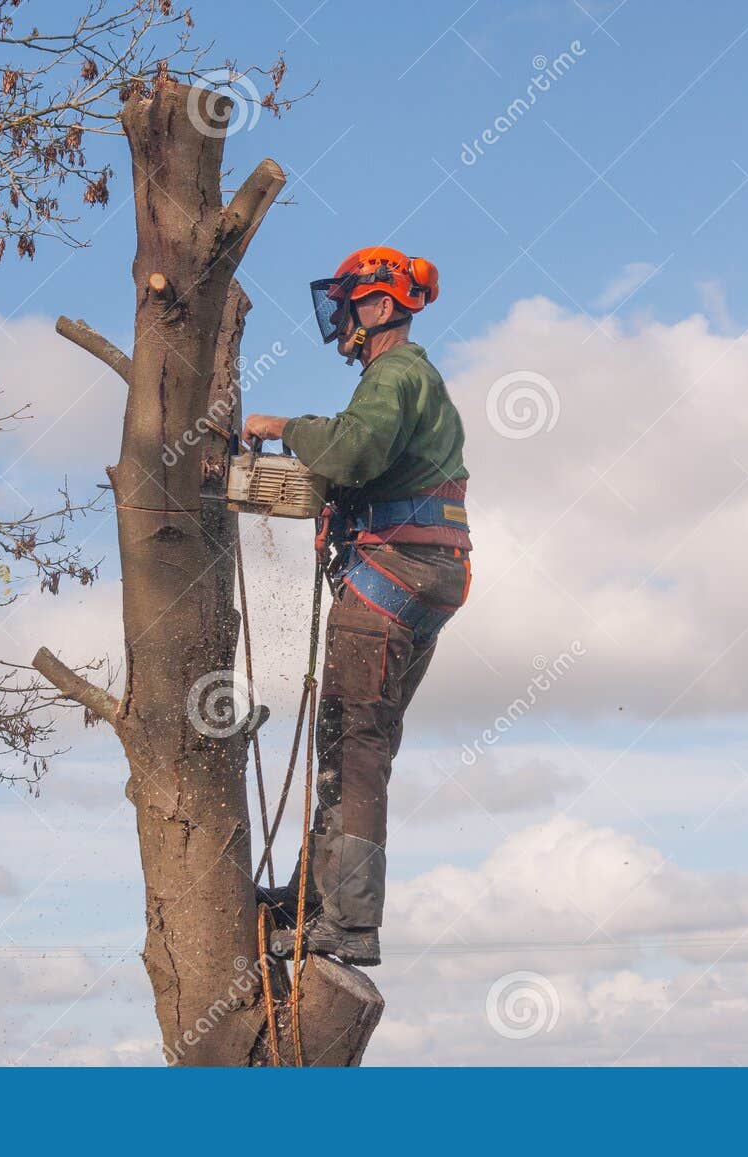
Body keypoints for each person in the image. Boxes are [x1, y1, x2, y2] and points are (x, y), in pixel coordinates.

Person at [242, 245, 471, 967]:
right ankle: (320, 893)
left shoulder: (396, 375)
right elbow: (375, 470)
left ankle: (347, 919)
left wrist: (284, 427)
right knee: (359, 739)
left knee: (352, 746)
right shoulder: (416, 382)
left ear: (377, 306)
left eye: (347, 307)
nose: (341, 323)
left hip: (394, 576)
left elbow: (353, 450)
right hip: (423, 574)